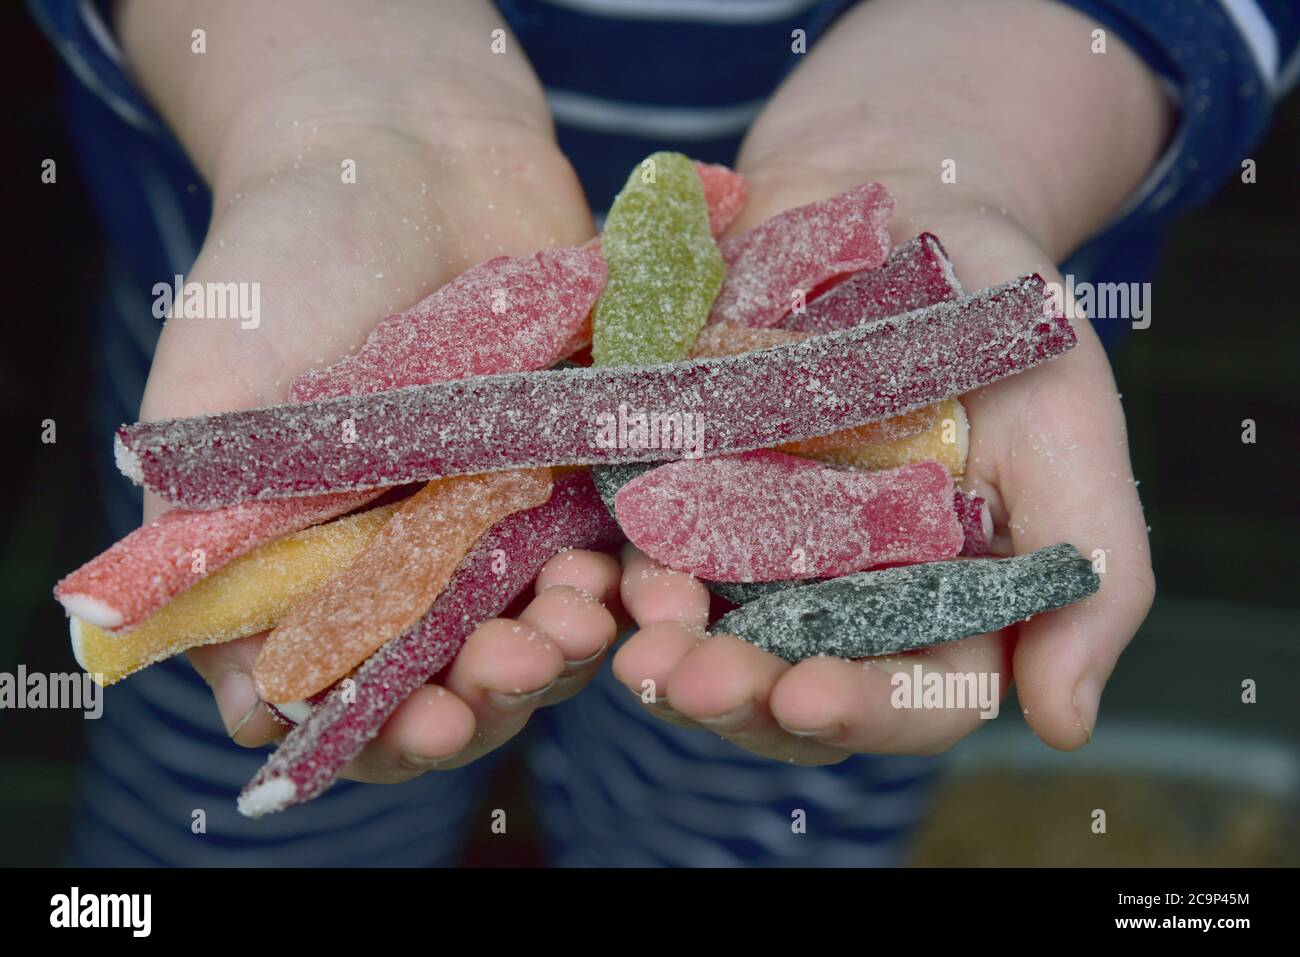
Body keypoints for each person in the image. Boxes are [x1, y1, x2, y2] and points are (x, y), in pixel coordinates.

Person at [31, 0, 1297, 866]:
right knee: (239, 773)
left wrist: (955, 145)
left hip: (970, 208)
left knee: (758, 785)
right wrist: (345, 99)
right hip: (261, 260)